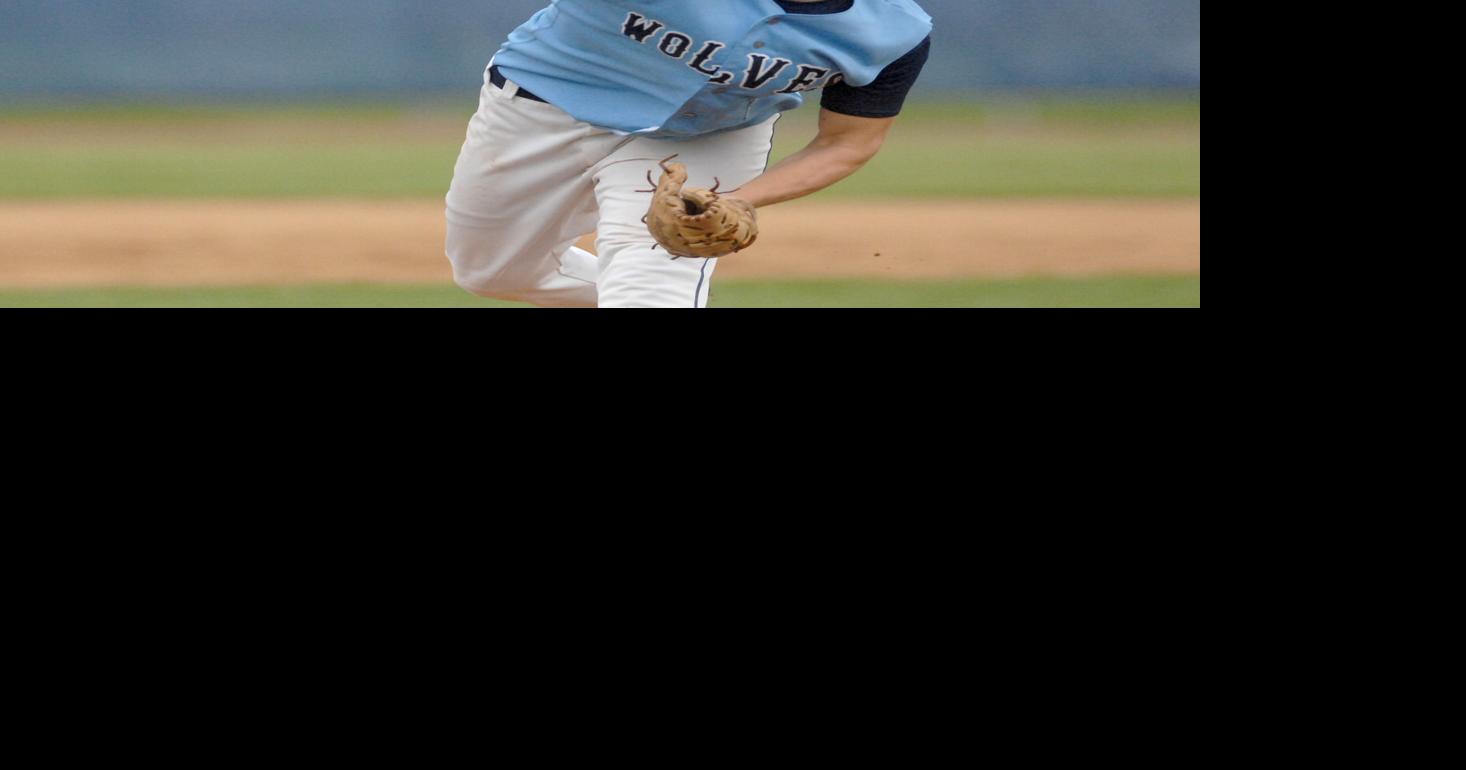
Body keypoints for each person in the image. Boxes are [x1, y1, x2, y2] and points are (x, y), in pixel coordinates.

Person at [446, 0, 933, 308]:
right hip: (547, 101)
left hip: (705, 137)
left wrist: (741, 200)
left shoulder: (894, 30)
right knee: (491, 272)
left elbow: (848, 141)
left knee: (651, 285)